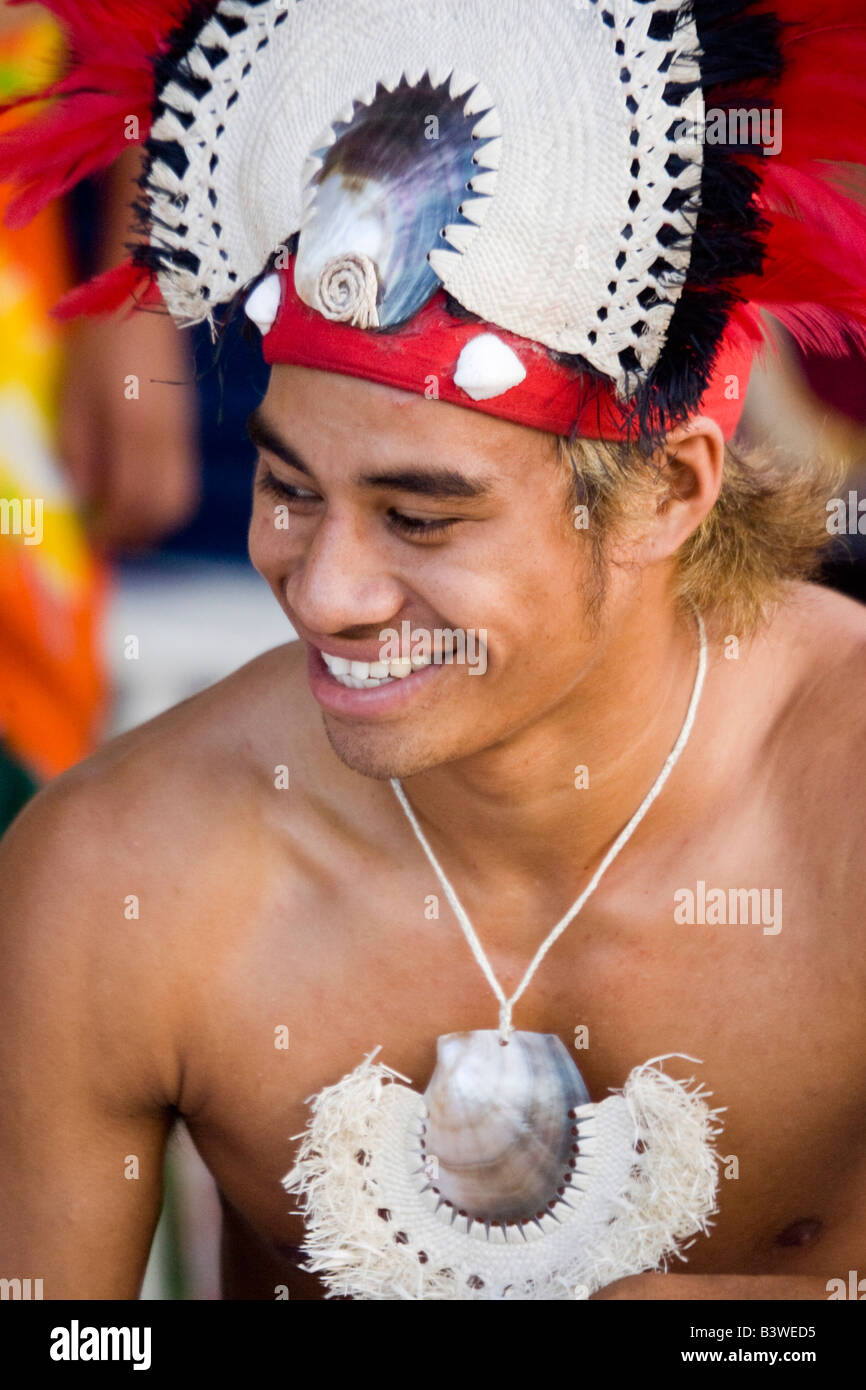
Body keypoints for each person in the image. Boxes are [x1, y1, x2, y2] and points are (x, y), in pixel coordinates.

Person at [0, 0, 865, 1301]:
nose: (326, 591)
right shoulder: (110, 870)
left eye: (418, 515)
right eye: (289, 489)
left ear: (667, 495)